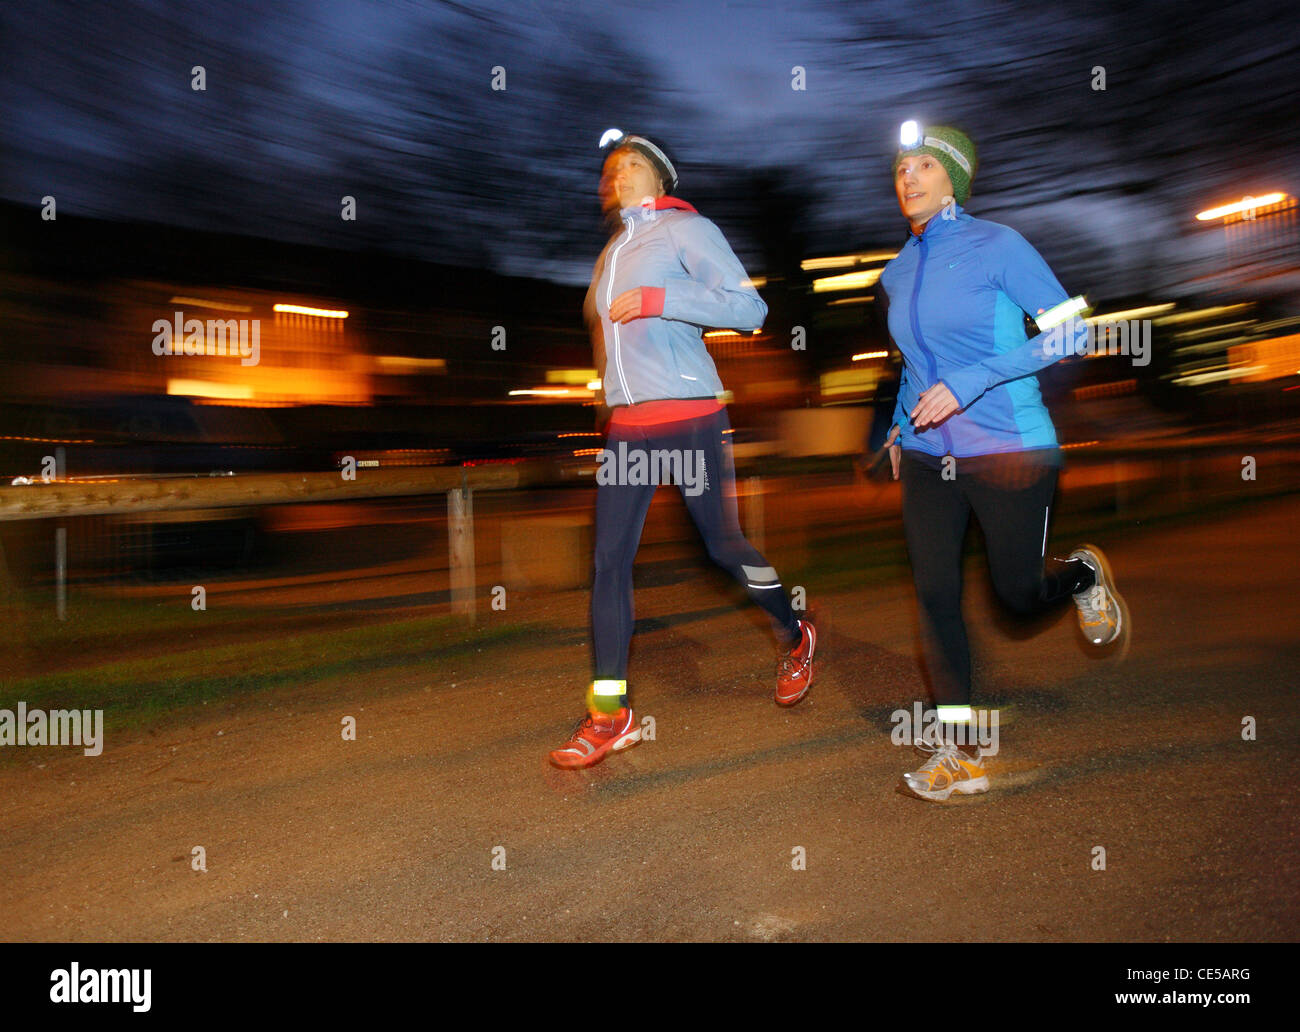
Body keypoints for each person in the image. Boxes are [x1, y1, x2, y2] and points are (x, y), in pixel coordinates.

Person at [549, 131, 816, 769]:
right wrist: (606, 393)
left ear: (661, 179)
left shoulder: (685, 231)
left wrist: (663, 299)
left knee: (723, 546)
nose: (620, 175)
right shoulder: (611, 252)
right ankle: (608, 714)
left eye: (634, 165)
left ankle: (792, 628)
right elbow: (607, 340)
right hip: (628, 429)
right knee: (609, 563)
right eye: (613, 168)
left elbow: (750, 308)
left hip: (690, 416)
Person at [878, 122, 1129, 800]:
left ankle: (1080, 576)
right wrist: (901, 427)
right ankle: (958, 750)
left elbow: (1072, 333)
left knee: (1016, 597)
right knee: (934, 594)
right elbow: (915, 366)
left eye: (925, 164)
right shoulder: (897, 271)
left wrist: (972, 380)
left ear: (954, 179)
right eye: (903, 167)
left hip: (1010, 445)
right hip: (932, 456)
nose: (909, 176)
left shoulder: (1000, 245)